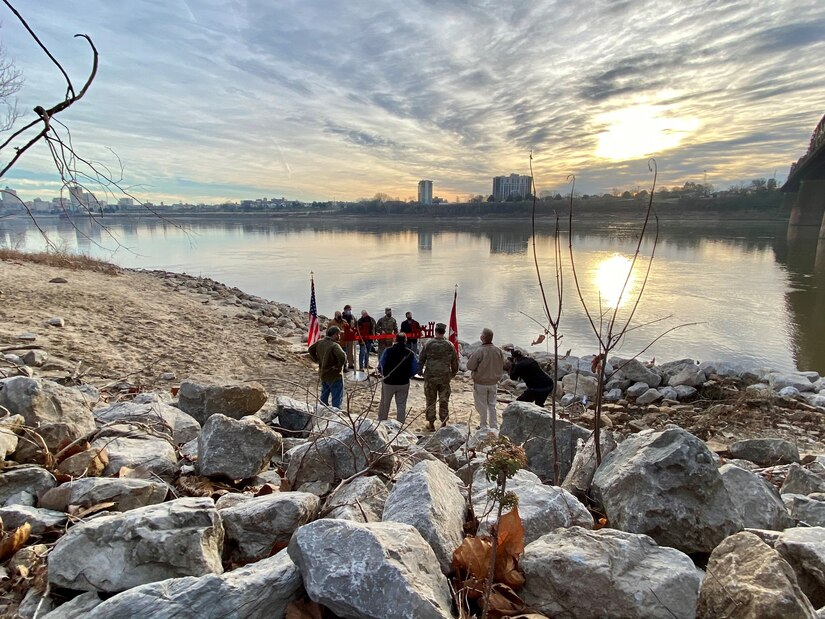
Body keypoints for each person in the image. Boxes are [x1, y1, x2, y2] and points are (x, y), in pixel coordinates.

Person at [418, 322, 459, 431]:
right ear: (444, 332)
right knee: (444, 400)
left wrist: (420, 371)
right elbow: (455, 361)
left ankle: (431, 424)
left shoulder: (429, 344)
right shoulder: (449, 345)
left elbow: (421, 358)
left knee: (430, 400)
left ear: (435, 331)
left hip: (431, 377)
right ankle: (443, 423)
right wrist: (453, 373)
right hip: (444, 377)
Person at [467, 327, 506, 429]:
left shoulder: (480, 351)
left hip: (481, 382)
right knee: (492, 405)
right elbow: (503, 364)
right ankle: (493, 425)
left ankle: (483, 425)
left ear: (482, 337)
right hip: (493, 382)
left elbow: (470, 366)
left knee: (481, 405)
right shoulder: (498, 351)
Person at [377, 333, 418, 423]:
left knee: (385, 404)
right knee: (401, 405)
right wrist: (408, 375)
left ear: (395, 340)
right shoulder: (410, 353)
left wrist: (383, 373)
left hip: (389, 381)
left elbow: (381, 365)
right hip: (403, 382)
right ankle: (400, 425)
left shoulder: (388, 351)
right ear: (405, 341)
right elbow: (415, 368)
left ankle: (381, 423)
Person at [308, 325, 346, 409]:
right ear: (335, 334)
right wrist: (338, 366)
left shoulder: (320, 342)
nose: (339, 336)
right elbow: (342, 356)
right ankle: (336, 414)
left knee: (324, 396)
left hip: (323, 373)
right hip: (334, 375)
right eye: (338, 334)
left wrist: (317, 359)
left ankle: (322, 411)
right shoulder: (334, 345)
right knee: (336, 397)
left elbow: (310, 349)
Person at [342, 304, 356, 370]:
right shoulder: (342, 317)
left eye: (350, 310)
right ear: (345, 310)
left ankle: (351, 364)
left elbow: (356, 324)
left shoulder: (352, 317)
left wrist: (354, 329)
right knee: (344, 350)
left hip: (351, 337)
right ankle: (344, 364)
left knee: (350, 351)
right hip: (344, 337)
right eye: (348, 310)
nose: (349, 311)